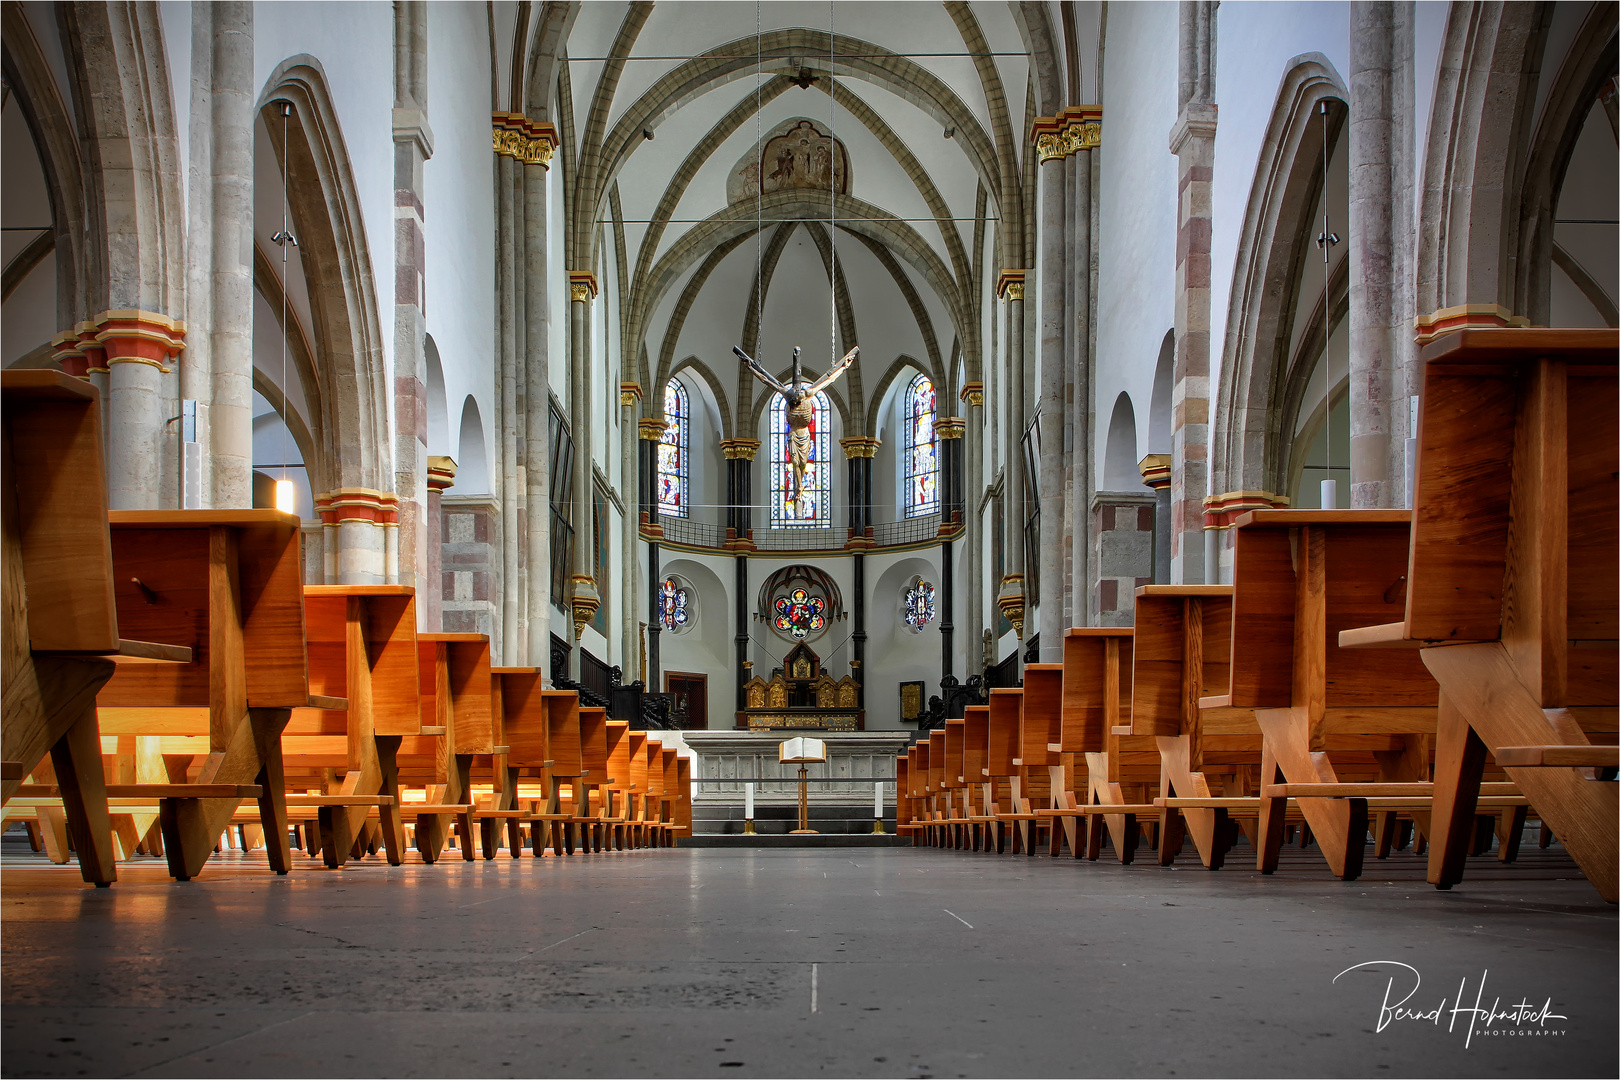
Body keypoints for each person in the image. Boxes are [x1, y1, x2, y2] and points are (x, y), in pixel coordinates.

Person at [734, 343, 858, 516]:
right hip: (793, 435)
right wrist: (751, 368)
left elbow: (829, 379)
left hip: (804, 435)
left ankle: (799, 491)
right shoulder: (786, 393)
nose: (794, 403)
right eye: (793, 402)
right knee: (794, 463)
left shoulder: (809, 393)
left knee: (802, 463)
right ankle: (799, 489)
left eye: (796, 401)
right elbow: (765, 379)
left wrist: (844, 367)